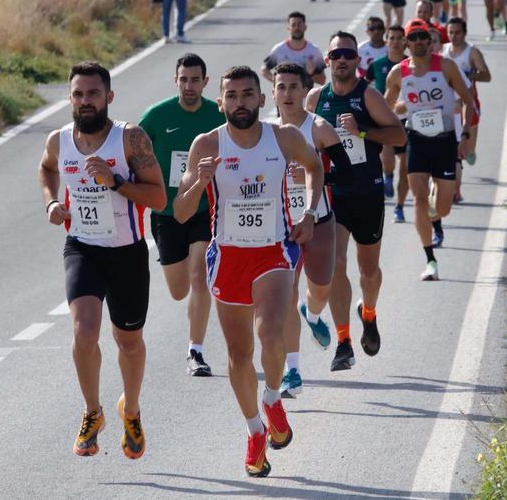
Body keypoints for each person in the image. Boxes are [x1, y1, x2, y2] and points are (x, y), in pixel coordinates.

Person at [173, 65, 323, 477]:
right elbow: (181, 211)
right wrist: (198, 184)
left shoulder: (284, 137)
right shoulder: (206, 145)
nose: (240, 103)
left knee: (271, 335)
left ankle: (273, 397)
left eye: (247, 94)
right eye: (232, 96)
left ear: (261, 98)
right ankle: (256, 430)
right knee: (239, 355)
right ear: (220, 102)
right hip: (229, 258)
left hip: (274, 252)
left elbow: (315, 167)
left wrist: (309, 212)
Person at [38, 61, 167, 459]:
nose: (85, 101)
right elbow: (46, 169)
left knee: (128, 342)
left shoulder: (130, 139)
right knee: (84, 332)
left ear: (109, 97)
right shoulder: (60, 141)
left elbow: (160, 199)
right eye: (78, 94)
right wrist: (53, 201)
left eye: (93, 94)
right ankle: (92, 412)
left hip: (127, 253)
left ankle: (130, 409)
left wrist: (115, 182)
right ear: (70, 99)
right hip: (82, 248)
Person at [306, 32, 406, 371]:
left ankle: (369, 312)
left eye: (348, 53)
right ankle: (343, 340)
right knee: (336, 264)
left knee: (369, 271)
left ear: (357, 60)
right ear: (328, 60)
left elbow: (398, 134)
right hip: (334, 194)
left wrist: (362, 130)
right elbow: (301, 140)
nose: (342, 60)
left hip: (367, 191)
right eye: (336, 55)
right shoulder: (316, 98)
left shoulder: (369, 96)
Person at [269, 62, 355, 397]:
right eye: (281, 87)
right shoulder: (264, 132)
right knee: (286, 296)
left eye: (294, 87)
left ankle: (314, 313)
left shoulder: (319, 128)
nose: (287, 94)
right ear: (273, 92)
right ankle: (293, 370)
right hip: (280, 228)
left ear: (306, 91)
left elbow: (347, 174)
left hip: (318, 222)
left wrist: (310, 177)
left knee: (320, 290)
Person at [138, 53, 227, 378]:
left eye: (195, 80)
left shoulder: (215, 116)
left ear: (205, 82)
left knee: (200, 274)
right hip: (166, 211)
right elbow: (132, 151)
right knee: (179, 290)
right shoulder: (157, 116)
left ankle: (196, 350)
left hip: (206, 208)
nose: (189, 86)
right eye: (184, 79)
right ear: (175, 80)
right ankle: (194, 340)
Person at [383, 20, 474, 281]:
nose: (419, 41)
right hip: (417, 140)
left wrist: (465, 133)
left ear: (430, 40)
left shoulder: (445, 66)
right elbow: (385, 105)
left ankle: (438, 208)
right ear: (406, 43)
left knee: (442, 208)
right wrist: (390, 125)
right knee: (419, 200)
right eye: (414, 37)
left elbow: (468, 101)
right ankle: (430, 260)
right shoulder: (398, 73)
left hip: (445, 140)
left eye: (424, 36)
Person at [442, 17, 492, 197]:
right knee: (455, 151)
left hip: (469, 103)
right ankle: (457, 190)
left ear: (464, 33)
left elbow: (487, 76)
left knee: (467, 150)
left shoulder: (472, 52)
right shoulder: (443, 51)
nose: (454, 36)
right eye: (451, 33)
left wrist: (466, 75)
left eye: (457, 33)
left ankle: (469, 151)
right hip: (450, 105)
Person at [370, 24, 411, 218]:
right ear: (386, 41)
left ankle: (399, 207)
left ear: (405, 42)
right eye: (391, 38)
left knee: (406, 166)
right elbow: (364, 85)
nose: (395, 42)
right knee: (386, 157)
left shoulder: (412, 64)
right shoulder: (377, 64)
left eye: (399, 38)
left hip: (409, 120)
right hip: (385, 119)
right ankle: (387, 176)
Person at [264, 11, 326, 86]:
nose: (297, 28)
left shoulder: (314, 51)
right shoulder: (279, 49)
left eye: (299, 24)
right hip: (283, 96)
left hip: (305, 96)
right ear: (288, 28)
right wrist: (278, 81)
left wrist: (312, 73)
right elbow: (264, 70)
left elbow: (322, 81)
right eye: (293, 25)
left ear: (305, 27)